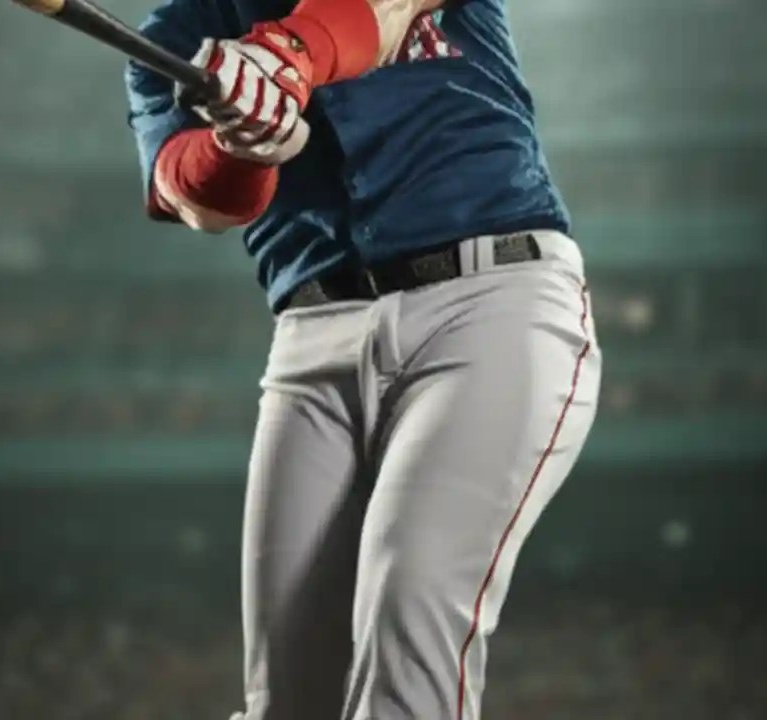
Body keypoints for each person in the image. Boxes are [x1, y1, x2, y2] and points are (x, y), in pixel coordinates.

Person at [125, 1, 602, 717]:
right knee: (285, 702)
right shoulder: (174, 31)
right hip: (312, 337)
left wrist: (285, 57)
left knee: (408, 624)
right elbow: (197, 200)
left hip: (488, 301)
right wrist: (245, 143)